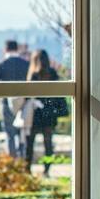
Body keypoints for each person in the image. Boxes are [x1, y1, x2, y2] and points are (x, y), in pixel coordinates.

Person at [21, 48, 68, 176]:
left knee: (29, 144)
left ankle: (27, 169)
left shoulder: (33, 75)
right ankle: (46, 170)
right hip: (49, 115)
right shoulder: (53, 74)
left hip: (35, 115)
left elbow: (27, 96)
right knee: (48, 144)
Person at [0, 40, 29, 158]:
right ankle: (22, 160)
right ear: (17, 49)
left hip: (6, 103)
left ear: (5, 50)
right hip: (23, 103)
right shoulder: (26, 65)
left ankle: (12, 161)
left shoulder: (1, 65)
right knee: (21, 133)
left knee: (9, 134)